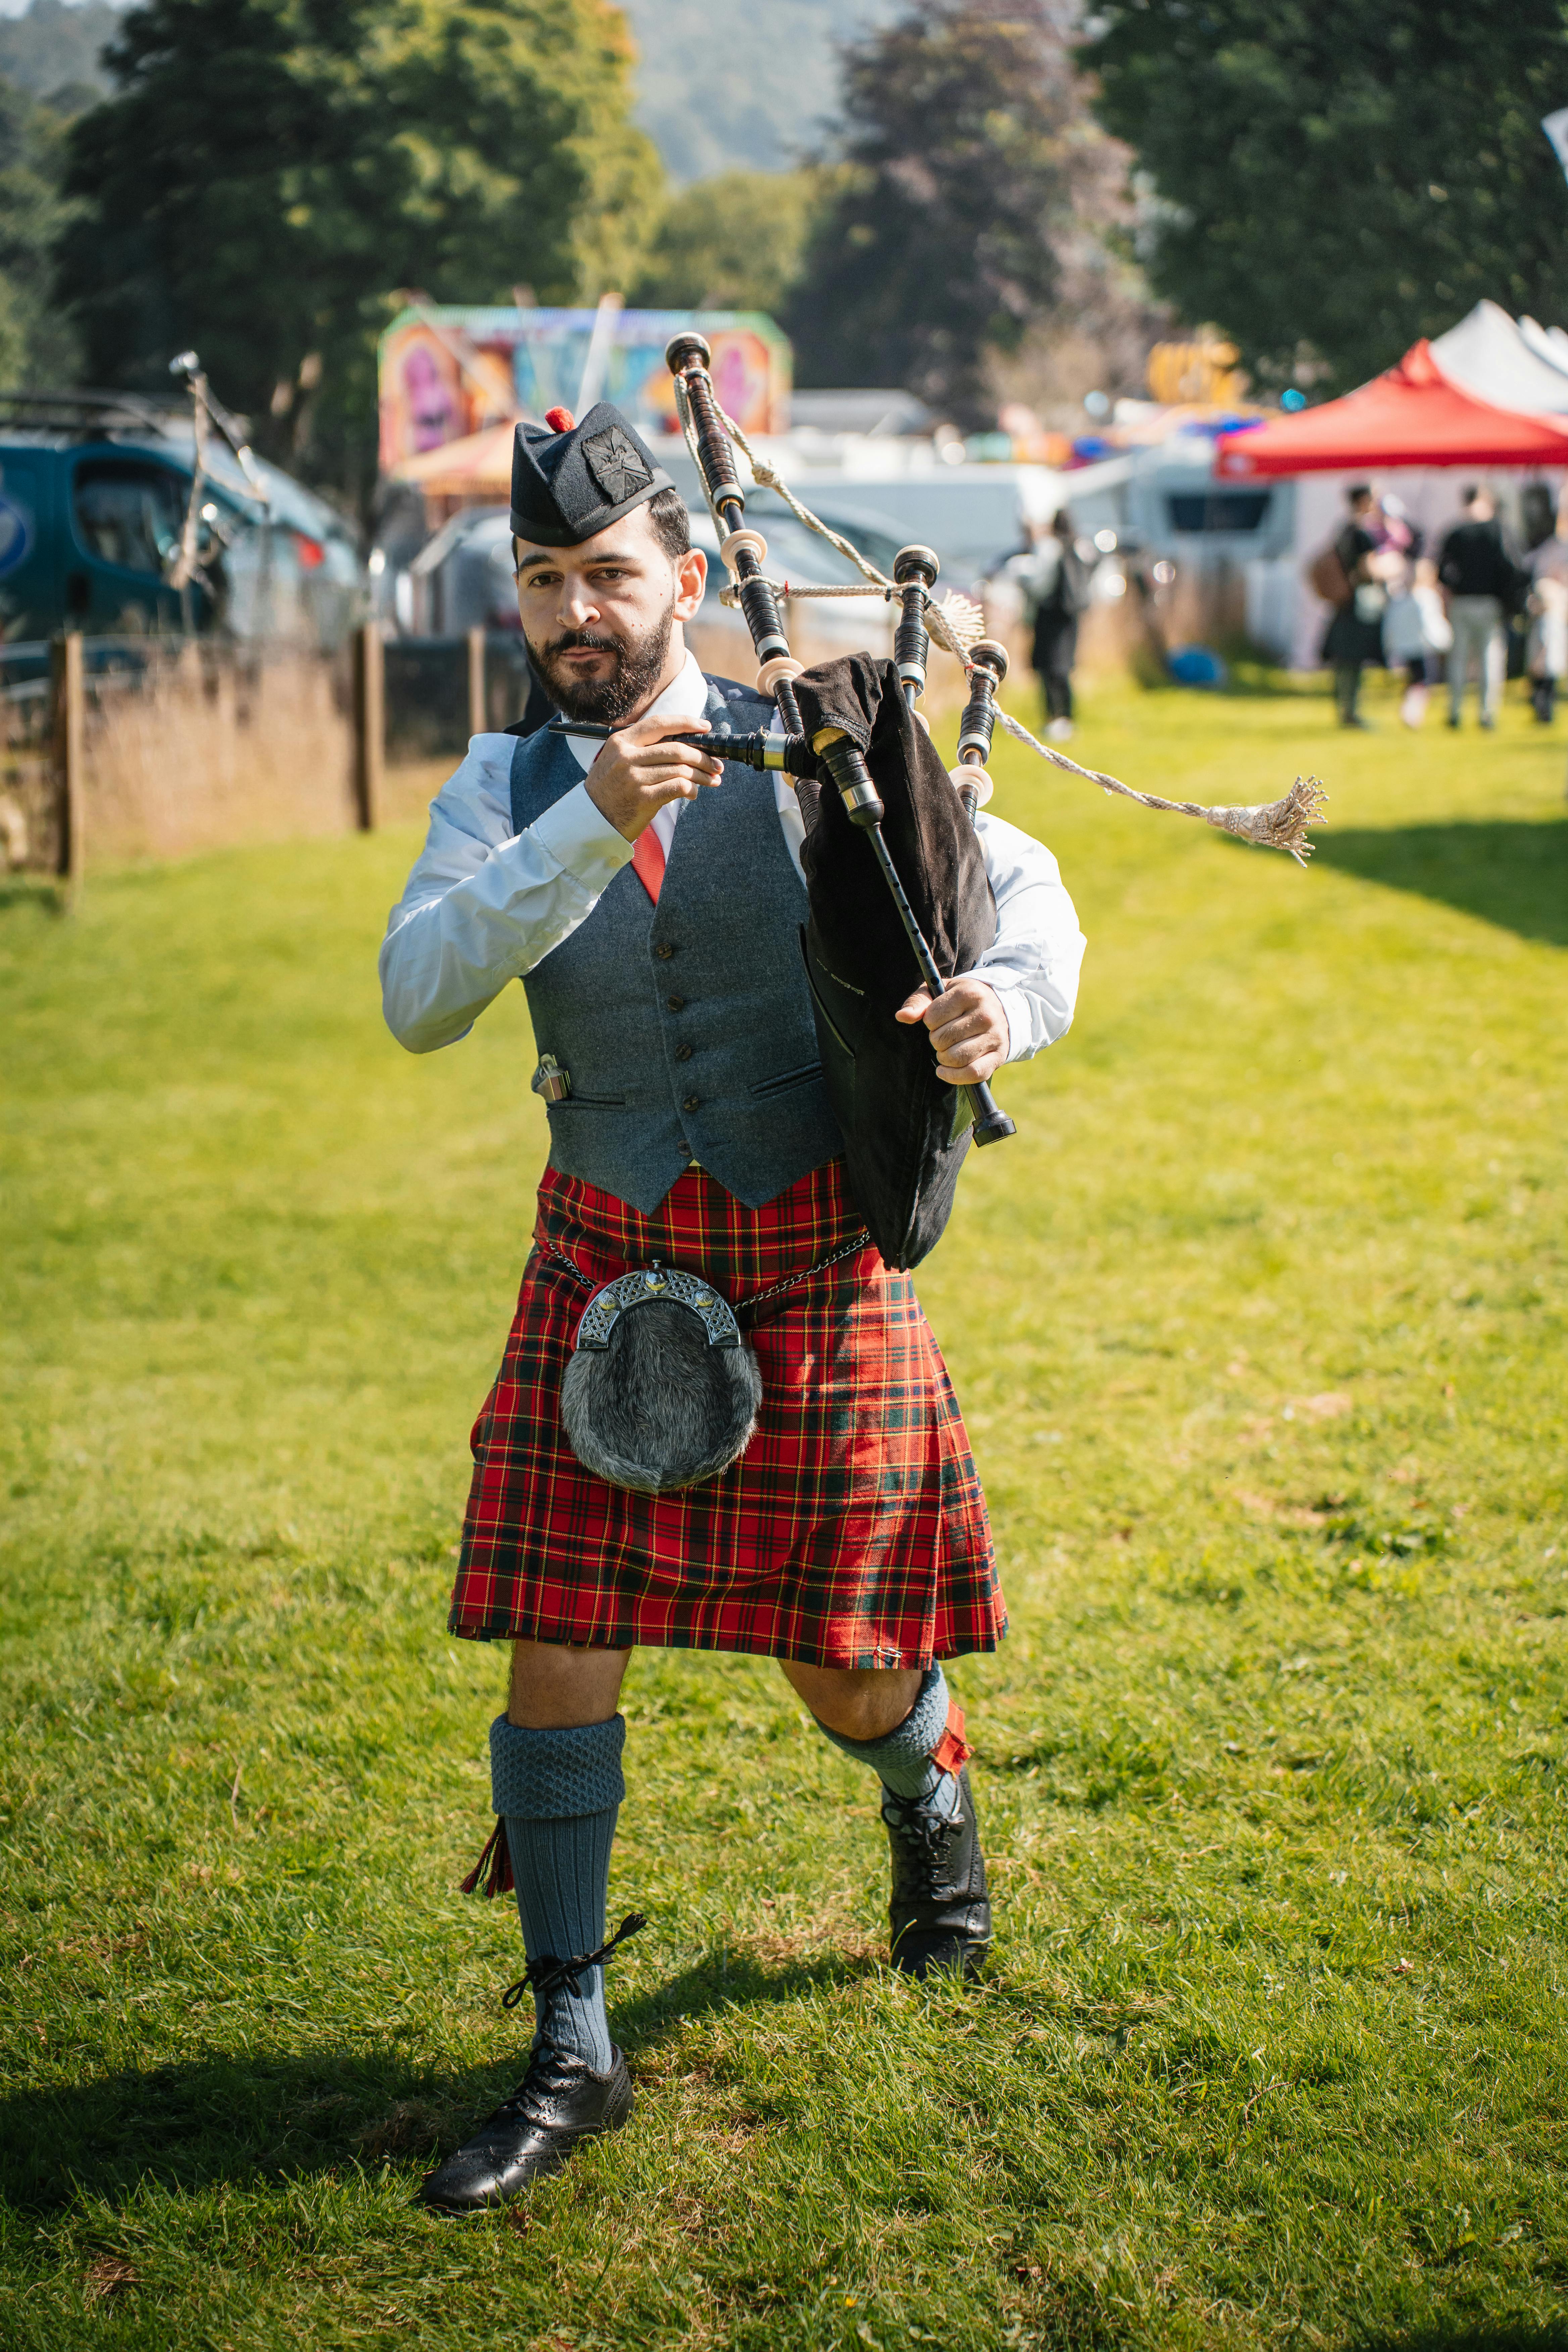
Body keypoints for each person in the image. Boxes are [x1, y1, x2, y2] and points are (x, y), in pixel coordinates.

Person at [379, 402, 1086, 2212]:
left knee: (842, 1666)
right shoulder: (500, 790)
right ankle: (572, 2042)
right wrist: (586, 826)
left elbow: (1017, 890)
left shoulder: (817, 744)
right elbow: (418, 994)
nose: (576, 611)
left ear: (684, 575)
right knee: (559, 1638)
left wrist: (1006, 1000)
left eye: (608, 574)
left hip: (806, 1256)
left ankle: (925, 1785)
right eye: (544, 580)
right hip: (603, 1257)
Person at [1437, 486, 1521, 730]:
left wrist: (1453, 589)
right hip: (1489, 602)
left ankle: (1455, 711)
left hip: (1462, 601)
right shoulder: (1498, 531)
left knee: (1459, 659)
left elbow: (1442, 570)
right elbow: (1512, 567)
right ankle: (1486, 713)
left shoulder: (1456, 532)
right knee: (1489, 658)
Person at [1013, 509, 1092, 742]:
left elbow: (1039, 584)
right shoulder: (1081, 547)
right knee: (1065, 668)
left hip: (1049, 616)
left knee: (1048, 668)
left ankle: (1053, 718)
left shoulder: (1049, 548)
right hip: (1071, 616)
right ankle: (1067, 717)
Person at [1318, 484, 1389, 729]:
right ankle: (1350, 712)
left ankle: (1345, 710)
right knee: (1354, 658)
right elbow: (1367, 568)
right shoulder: (1361, 532)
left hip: (1344, 600)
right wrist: (1388, 572)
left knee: (1344, 659)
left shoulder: (1344, 529)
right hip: (1358, 601)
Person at [1381, 555, 1452, 729]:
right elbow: (1432, 623)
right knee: (1424, 681)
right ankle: (1412, 712)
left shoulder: (1399, 598)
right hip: (1424, 646)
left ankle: (1410, 709)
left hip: (1406, 647)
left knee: (1414, 679)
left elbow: (1391, 624)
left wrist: (1391, 645)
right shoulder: (1427, 598)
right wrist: (1444, 640)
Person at [1526, 500, 1568, 724]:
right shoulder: (1549, 548)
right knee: (1545, 657)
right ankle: (1543, 704)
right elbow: (1535, 575)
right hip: (1548, 613)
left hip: (1561, 610)